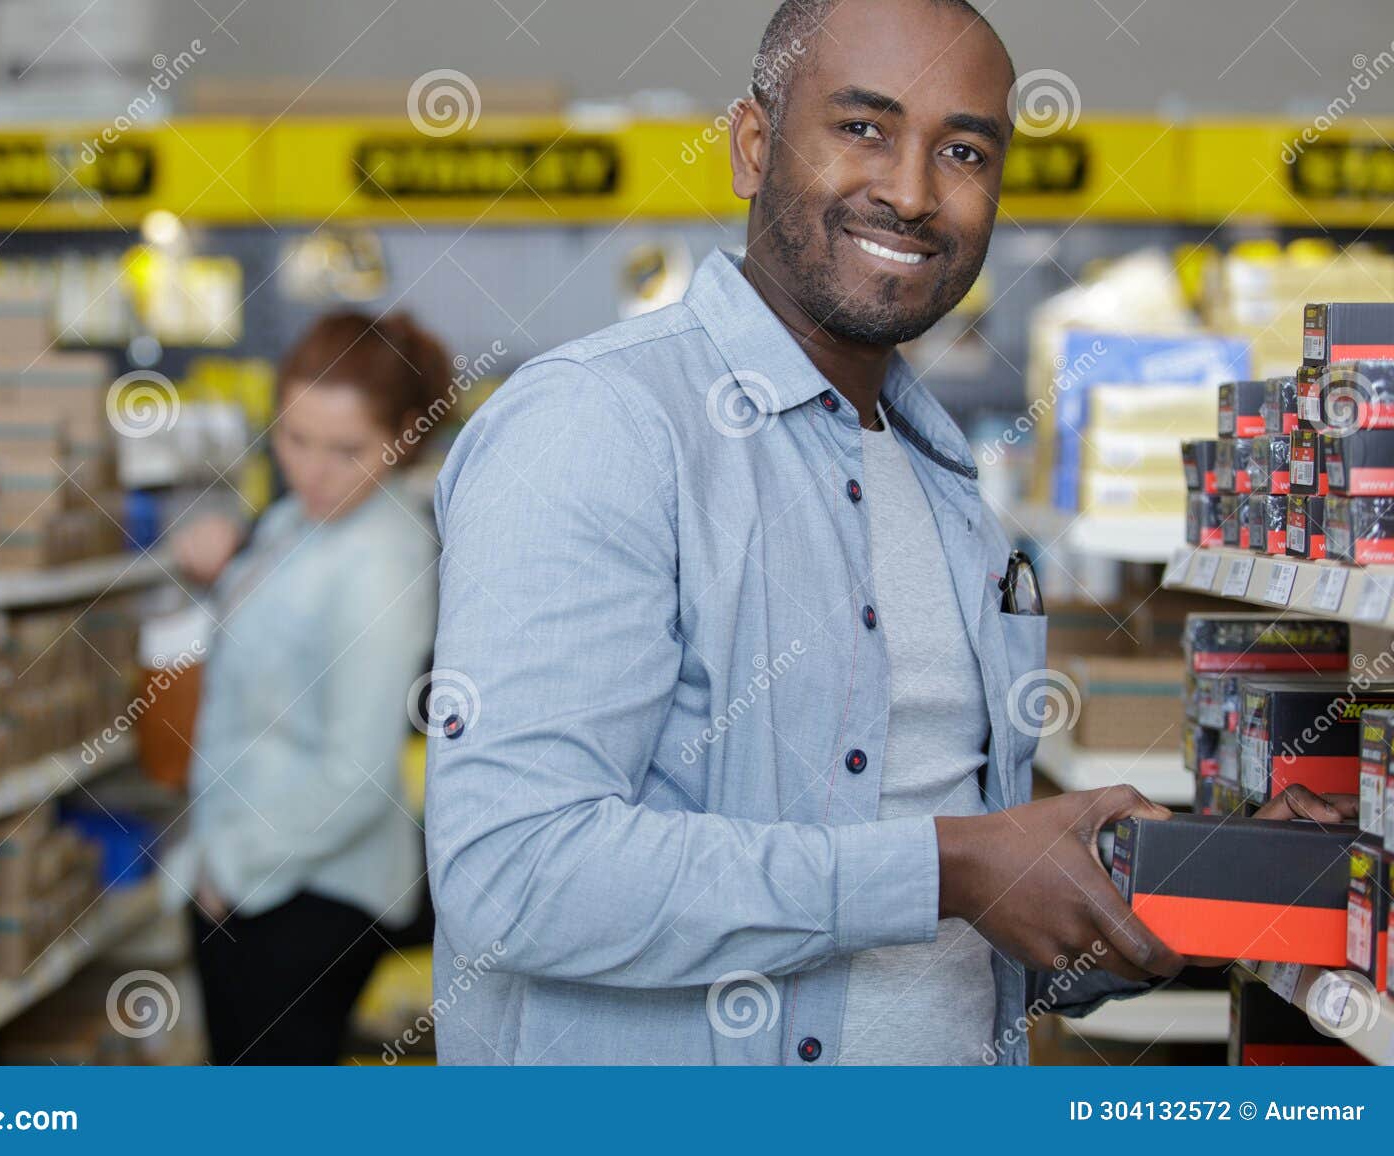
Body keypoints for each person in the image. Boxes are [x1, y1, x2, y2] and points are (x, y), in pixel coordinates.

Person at [422, 0, 1354, 1066]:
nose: (911, 193)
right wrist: (955, 865)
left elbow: (950, 943)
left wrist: (1183, 879)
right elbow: (518, 873)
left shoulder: (940, 480)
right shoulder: (601, 426)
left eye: (961, 150)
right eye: (861, 128)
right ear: (753, 144)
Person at [174, 310, 444, 1065]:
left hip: (301, 891)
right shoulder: (294, 521)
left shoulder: (382, 561)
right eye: (295, 439)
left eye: (347, 450)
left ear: (404, 438)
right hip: (250, 874)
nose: (315, 470)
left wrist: (234, 869)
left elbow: (356, 775)